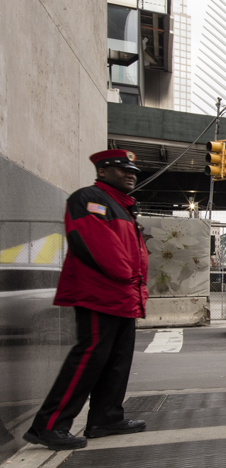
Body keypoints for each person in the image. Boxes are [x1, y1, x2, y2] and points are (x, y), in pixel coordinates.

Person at [24, 150, 149, 451]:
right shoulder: (89, 199)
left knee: (117, 361)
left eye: (133, 170)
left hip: (123, 295)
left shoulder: (122, 208)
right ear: (102, 171)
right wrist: (129, 278)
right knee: (88, 359)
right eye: (121, 169)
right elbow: (98, 246)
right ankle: (48, 426)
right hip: (100, 294)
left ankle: (106, 418)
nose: (130, 174)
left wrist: (133, 285)